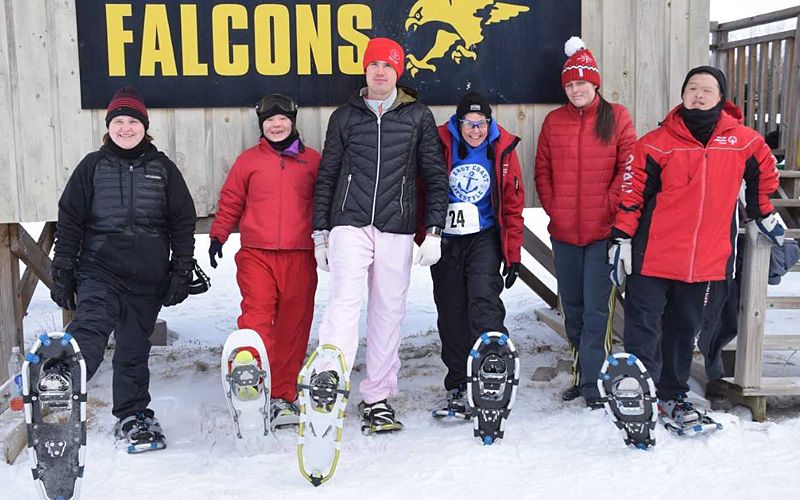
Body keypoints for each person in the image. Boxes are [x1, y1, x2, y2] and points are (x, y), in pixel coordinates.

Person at [609, 66, 782, 430]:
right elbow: (632, 194)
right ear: (683, 94)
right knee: (643, 323)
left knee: (685, 327)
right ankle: (641, 390)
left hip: (703, 258)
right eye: (692, 88)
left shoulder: (744, 141)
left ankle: (672, 392)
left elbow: (764, 174)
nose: (698, 94)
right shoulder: (656, 142)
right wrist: (622, 237)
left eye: (707, 89)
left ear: (721, 98)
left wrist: (762, 211)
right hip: (653, 253)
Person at [50, 85, 198, 452]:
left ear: (145, 127)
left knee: (134, 349)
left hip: (147, 277)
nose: (126, 128)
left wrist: (181, 270)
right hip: (100, 270)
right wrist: (63, 269)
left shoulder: (163, 169)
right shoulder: (92, 167)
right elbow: (69, 221)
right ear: (109, 126)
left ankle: (132, 414)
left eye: (133, 122)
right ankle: (60, 380)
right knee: (91, 328)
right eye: (119, 121)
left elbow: (182, 221)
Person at [310, 37, 448, 431]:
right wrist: (320, 231)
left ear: (397, 72)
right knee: (343, 304)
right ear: (365, 70)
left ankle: (377, 397)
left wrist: (434, 230)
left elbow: (434, 176)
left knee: (388, 312)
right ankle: (329, 383)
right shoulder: (345, 117)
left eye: (387, 66)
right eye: (373, 66)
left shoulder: (418, 116)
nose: (380, 72)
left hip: (396, 226)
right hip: (348, 222)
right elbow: (328, 176)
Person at [534, 37, 636, 408]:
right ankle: (582, 375)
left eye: (582, 82)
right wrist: (554, 208)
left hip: (602, 236)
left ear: (595, 83)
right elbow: (541, 171)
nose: (576, 89)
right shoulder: (554, 121)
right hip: (564, 234)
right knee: (572, 310)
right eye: (570, 84)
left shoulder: (618, 117)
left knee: (597, 311)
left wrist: (609, 212)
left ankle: (595, 382)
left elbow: (628, 170)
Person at [208, 93, 320, 427]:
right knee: (257, 316)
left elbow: (326, 202)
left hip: (300, 256)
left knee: (293, 326)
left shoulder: (314, 162)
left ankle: (284, 395)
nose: (276, 125)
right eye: (269, 120)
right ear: (261, 125)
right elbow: (230, 200)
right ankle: (253, 383)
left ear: (293, 122)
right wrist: (218, 235)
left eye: (281, 119)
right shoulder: (249, 162)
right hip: (257, 254)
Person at [424, 91, 525, 418]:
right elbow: (421, 185)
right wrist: (423, 234)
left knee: (484, 303)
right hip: (446, 238)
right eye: (469, 123)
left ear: (489, 123)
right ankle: (457, 383)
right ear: (458, 122)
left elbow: (512, 204)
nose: (475, 131)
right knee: (451, 312)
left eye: (481, 124)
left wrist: (513, 255)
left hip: (483, 236)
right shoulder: (439, 143)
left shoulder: (502, 149)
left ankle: (489, 372)